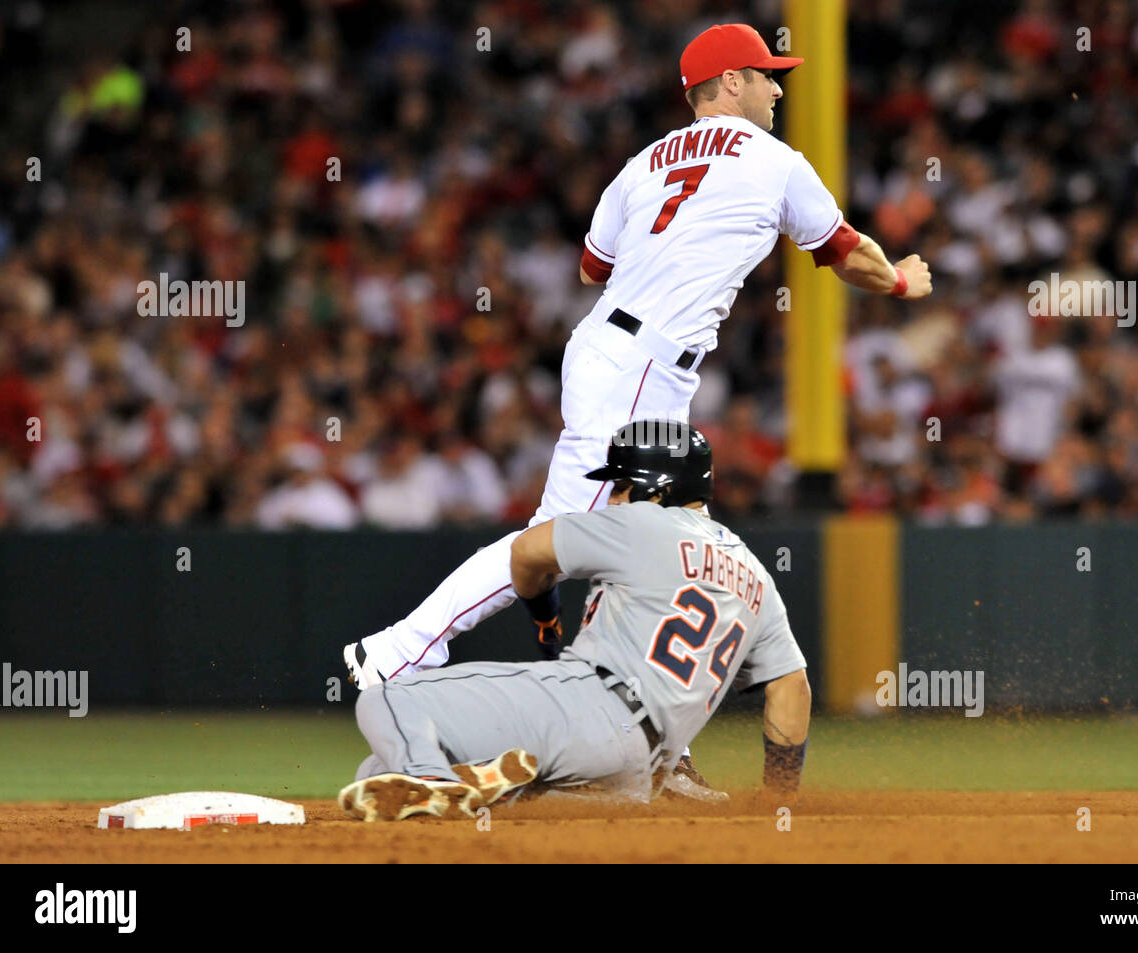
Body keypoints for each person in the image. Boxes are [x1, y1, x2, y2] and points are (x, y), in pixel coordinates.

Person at [342, 22, 929, 796]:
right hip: (645, 366)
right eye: (765, 74)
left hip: (613, 349)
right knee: (552, 539)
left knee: (637, 547)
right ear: (725, 85)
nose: (778, 87)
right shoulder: (776, 162)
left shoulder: (642, 163)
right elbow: (845, 250)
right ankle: (397, 651)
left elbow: (593, 265)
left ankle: (657, 753)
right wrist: (900, 283)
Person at [338, 421, 811, 820]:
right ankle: (480, 784)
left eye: (621, 485)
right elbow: (791, 689)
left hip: (588, 705)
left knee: (388, 700)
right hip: (641, 769)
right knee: (374, 776)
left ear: (657, 489)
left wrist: (545, 617)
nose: (612, 497)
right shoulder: (756, 576)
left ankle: (435, 786)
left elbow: (527, 551)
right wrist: (779, 796)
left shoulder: (643, 522)